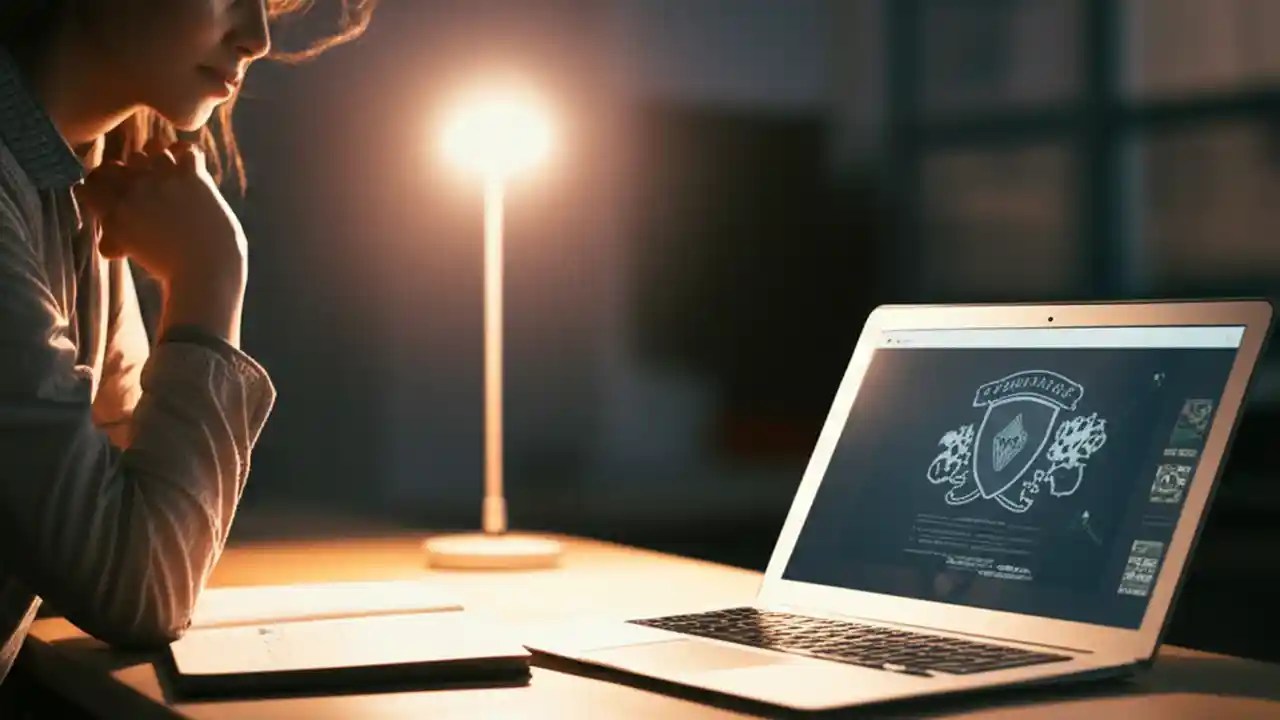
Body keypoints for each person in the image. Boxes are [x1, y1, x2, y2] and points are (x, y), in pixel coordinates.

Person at [0, 0, 375, 713]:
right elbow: (141, 580)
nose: (257, 38)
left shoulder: (80, 174)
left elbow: (138, 496)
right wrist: (210, 279)